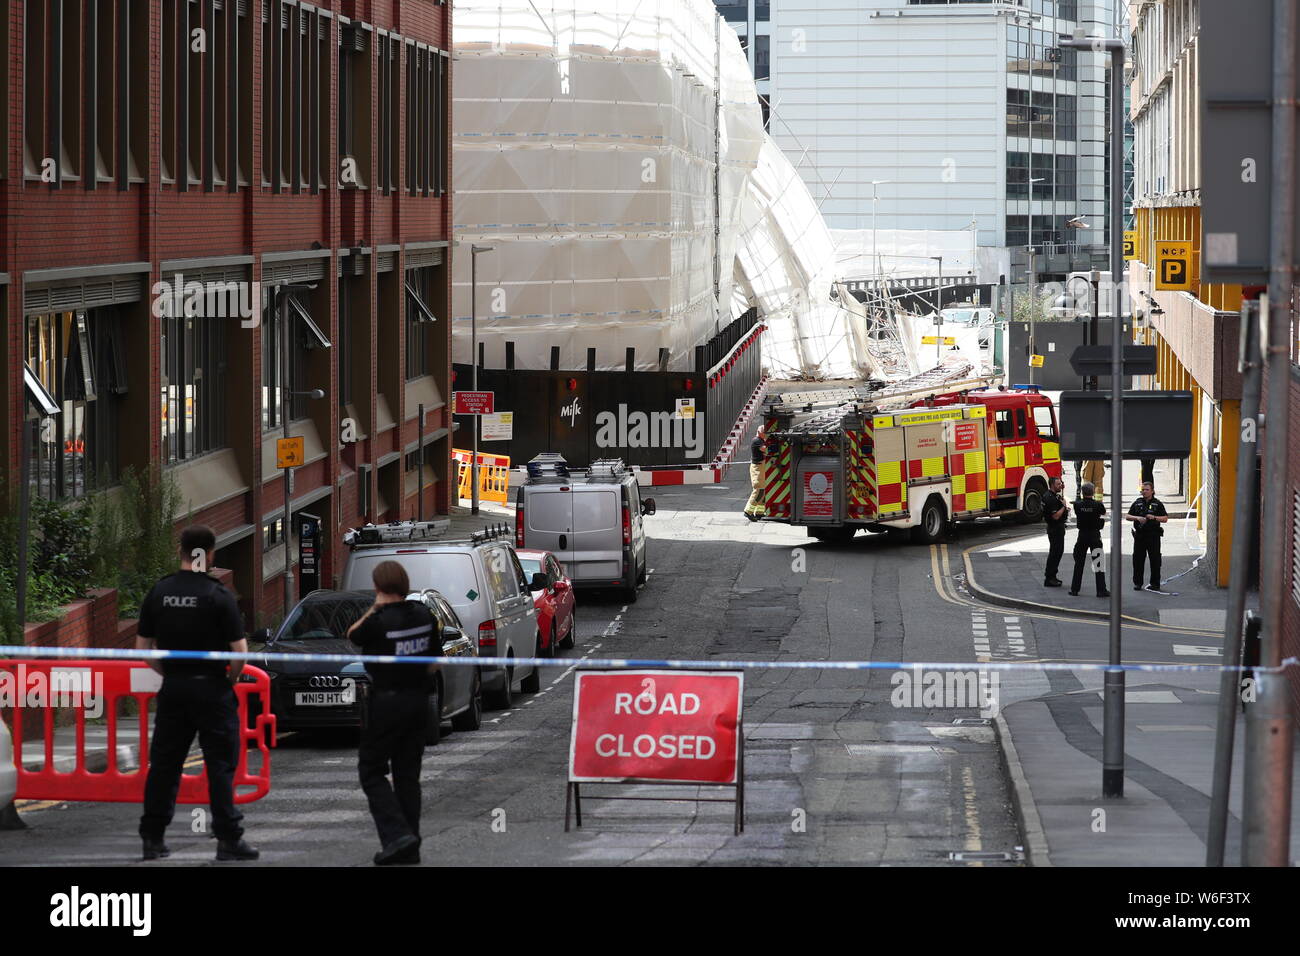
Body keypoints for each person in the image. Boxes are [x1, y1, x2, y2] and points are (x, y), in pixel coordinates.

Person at [136, 525, 259, 862]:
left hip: (174, 689)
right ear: (211, 554)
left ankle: (153, 838)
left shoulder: (159, 592)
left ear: (181, 550)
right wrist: (229, 681)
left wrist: (170, 674)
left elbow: (143, 648)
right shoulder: (217, 595)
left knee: (165, 764)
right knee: (220, 764)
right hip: (212, 689)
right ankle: (228, 839)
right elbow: (239, 651)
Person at [347, 560, 442, 865]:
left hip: (386, 704)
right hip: (418, 704)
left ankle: (397, 834)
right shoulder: (424, 615)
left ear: (378, 588)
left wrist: (375, 607)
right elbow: (434, 662)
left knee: (371, 771)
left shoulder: (377, 621)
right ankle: (409, 846)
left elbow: (353, 634)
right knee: (407, 776)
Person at [1069, 481, 1110, 597]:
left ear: (1082, 492)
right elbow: (1103, 513)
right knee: (1098, 563)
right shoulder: (1098, 505)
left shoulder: (1077, 505)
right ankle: (1101, 590)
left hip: (1082, 536)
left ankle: (1075, 589)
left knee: (1079, 563)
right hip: (1095, 536)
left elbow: (1077, 512)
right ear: (1093, 492)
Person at [1126, 480, 1169, 591]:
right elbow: (1127, 516)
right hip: (1140, 536)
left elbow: (1165, 518)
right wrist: (1137, 518)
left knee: (1155, 560)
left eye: (1147, 490)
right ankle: (1138, 583)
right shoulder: (1137, 502)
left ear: (1152, 491)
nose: (1144, 492)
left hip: (1153, 536)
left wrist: (1154, 517)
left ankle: (1155, 584)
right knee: (1138, 560)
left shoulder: (1157, 503)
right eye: (1143, 490)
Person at [1041, 476, 1069, 587]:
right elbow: (1056, 516)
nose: (1060, 486)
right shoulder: (1050, 498)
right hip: (1055, 528)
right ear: (1052, 485)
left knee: (1056, 552)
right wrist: (1064, 506)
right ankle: (1050, 577)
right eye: (1058, 484)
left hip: (1055, 528)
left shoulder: (1050, 495)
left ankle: (1052, 576)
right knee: (1055, 553)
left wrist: (1062, 489)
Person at [744, 424, 772, 522]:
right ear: (760, 432)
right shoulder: (757, 441)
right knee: (759, 489)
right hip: (757, 468)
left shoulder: (761, 440)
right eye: (764, 433)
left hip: (761, 467)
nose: (765, 435)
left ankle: (759, 512)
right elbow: (765, 450)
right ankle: (748, 511)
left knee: (763, 490)